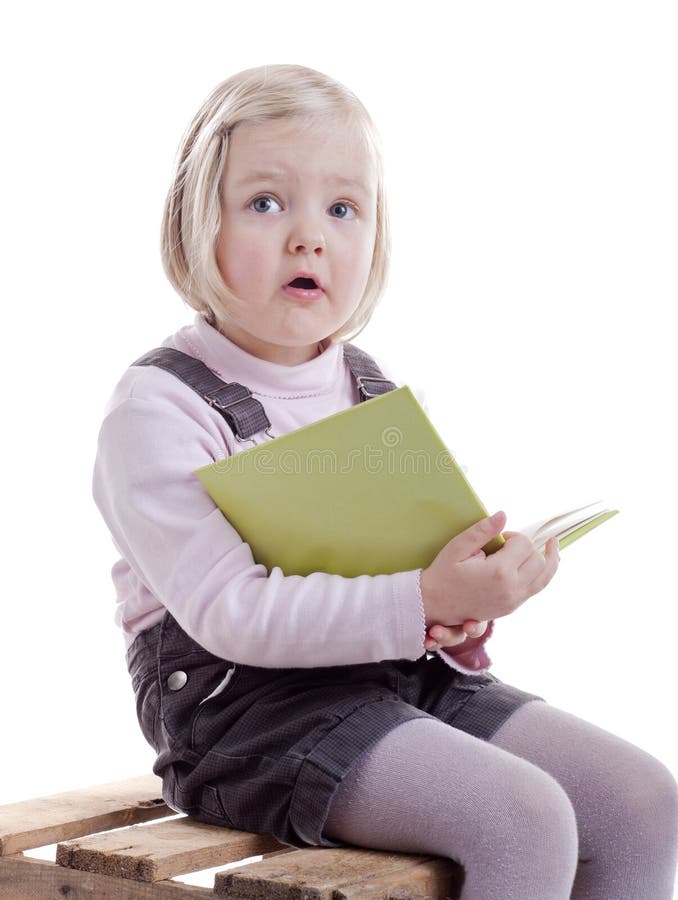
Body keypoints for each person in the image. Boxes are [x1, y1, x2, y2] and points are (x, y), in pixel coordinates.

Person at [92, 64, 678, 899]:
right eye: (266, 203)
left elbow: (412, 573)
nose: (309, 237)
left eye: (342, 208)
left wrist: (463, 601)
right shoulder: (157, 410)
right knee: (523, 817)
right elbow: (234, 612)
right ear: (197, 225)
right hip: (247, 719)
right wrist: (418, 599)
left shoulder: (368, 386)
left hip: (393, 683)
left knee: (641, 799)